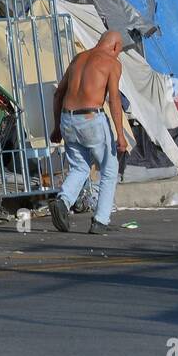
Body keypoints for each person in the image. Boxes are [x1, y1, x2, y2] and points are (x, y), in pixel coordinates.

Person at [49, 31, 127, 235]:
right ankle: (100, 220)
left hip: (68, 118)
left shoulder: (79, 58)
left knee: (80, 167)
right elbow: (114, 100)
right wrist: (121, 134)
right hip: (91, 118)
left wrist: (57, 127)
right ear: (116, 47)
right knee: (109, 169)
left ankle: (63, 202)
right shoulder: (111, 63)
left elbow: (58, 94)